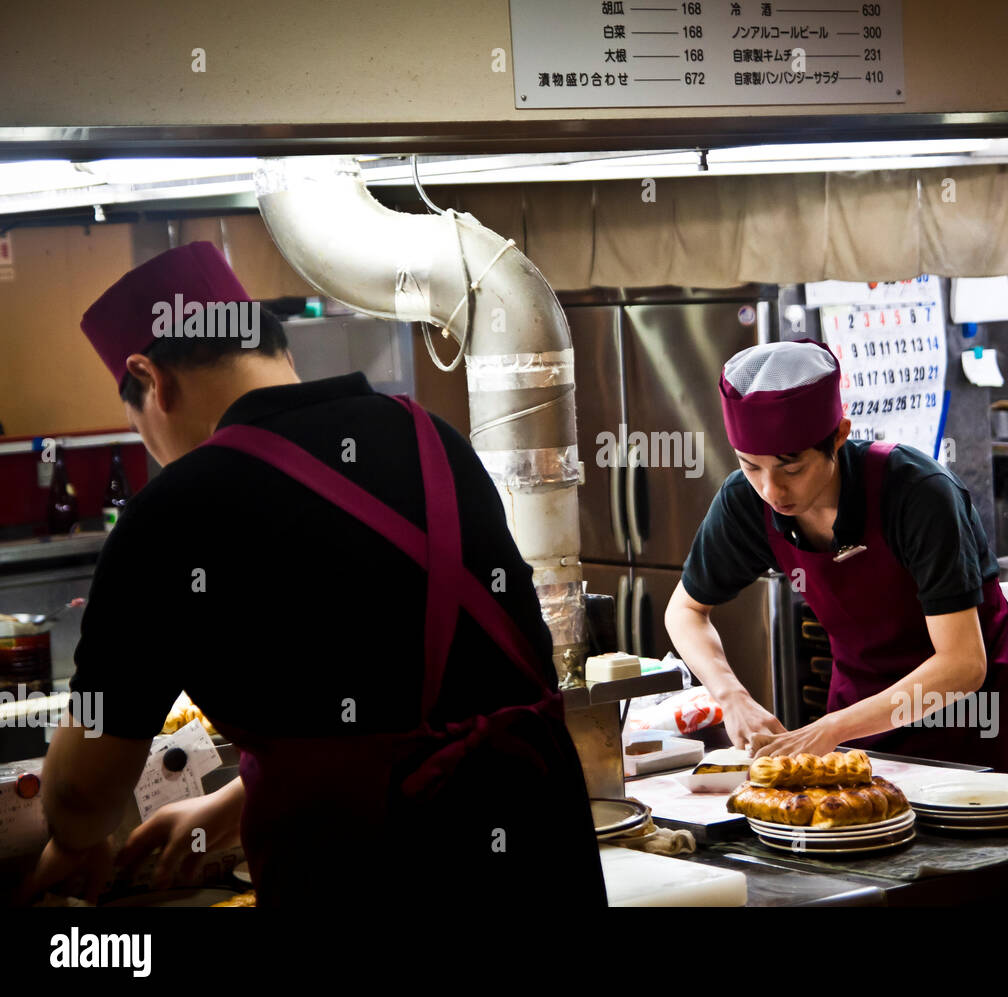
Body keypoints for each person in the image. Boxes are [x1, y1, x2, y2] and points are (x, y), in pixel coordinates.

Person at [21, 241, 606, 907]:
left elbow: (80, 792)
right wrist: (228, 804)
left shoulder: (176, 508)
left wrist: (74, 839)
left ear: (150, 378)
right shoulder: (435, 440)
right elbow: (415, 706)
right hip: (541, 860)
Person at [665, 339, 1008, 773]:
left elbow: (963, 663)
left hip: (966, 721)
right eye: (750, 466)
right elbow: (684, 610)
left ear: (839, 435)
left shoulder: (917, 493)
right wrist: (733, 698)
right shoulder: (746, 502)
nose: (771, 490)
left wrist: (830, 729)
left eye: (791, 468)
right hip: (858, 719)